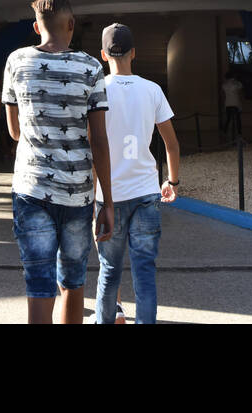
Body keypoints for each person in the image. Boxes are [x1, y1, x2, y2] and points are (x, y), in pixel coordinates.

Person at [1, 0, 114, 324]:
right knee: (73, 283)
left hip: (30, 190)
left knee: (39, 286)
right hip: (77, 194)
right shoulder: (91, 67)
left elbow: (14, 131)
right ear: (72, 25)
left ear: (37, 27)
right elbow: (99, 141)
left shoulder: (17, 61)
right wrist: (107, 200)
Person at [94, 23, 180, 324]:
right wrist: (172, 180)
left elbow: (92, 148)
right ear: (134, 53)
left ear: (103, 55)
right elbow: (171, 143)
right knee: (144, 271)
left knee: (109, 269)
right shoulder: (152, 90)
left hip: (109, 196)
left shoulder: (97, 90)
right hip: (146, 193)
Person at [221, 70, 243, 140]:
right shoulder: (236, 84)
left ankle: (224, 131)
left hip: (227, 104)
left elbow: (223, 94)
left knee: (228, 119)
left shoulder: (224, 85)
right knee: (238, 120)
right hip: (236, 103)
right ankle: (239, 133)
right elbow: (241, 90)